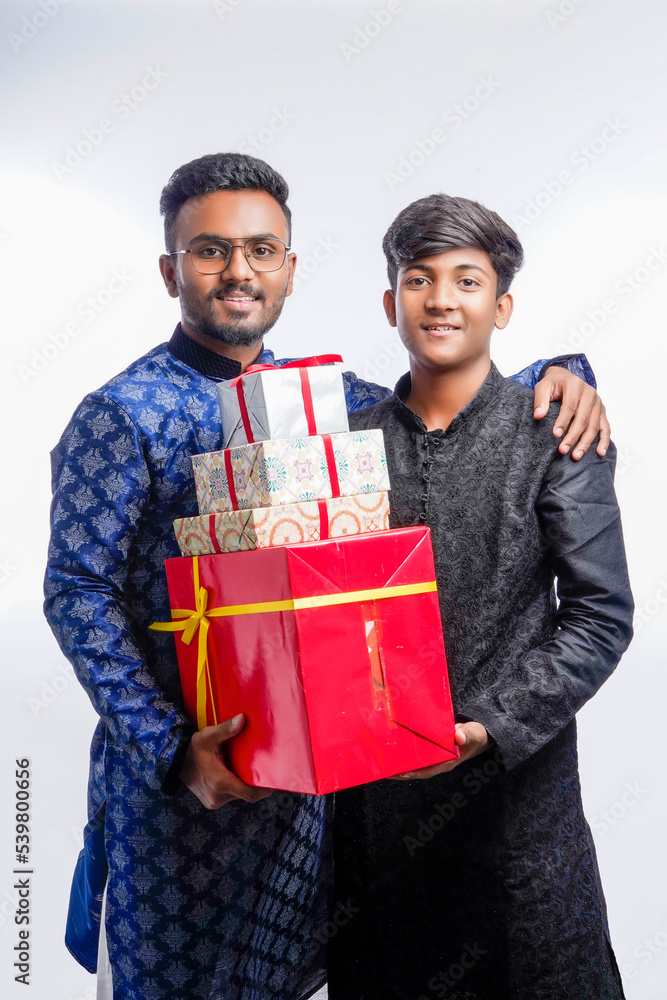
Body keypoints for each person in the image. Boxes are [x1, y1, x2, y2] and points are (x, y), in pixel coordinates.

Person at [44, 153, 611, 1000]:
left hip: (310, 807)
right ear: (171, 271)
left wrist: (568, 372)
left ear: (290, 269)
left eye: (262, 250)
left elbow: (446, 397)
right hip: (181, 805)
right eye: (210, 251)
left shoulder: (322, 399)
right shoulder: (121, 413)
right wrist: (172, 753)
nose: (239, 271)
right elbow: (77, 594)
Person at [328, 193, 634, 1000]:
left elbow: (601, 615)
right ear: (389, 302)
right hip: (378, 814)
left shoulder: (553, 429)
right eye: (418, 279)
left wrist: (489, 726)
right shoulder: (344, 444)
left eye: (466, 281)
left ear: (500, 307)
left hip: (519, 810)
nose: (440, 300)